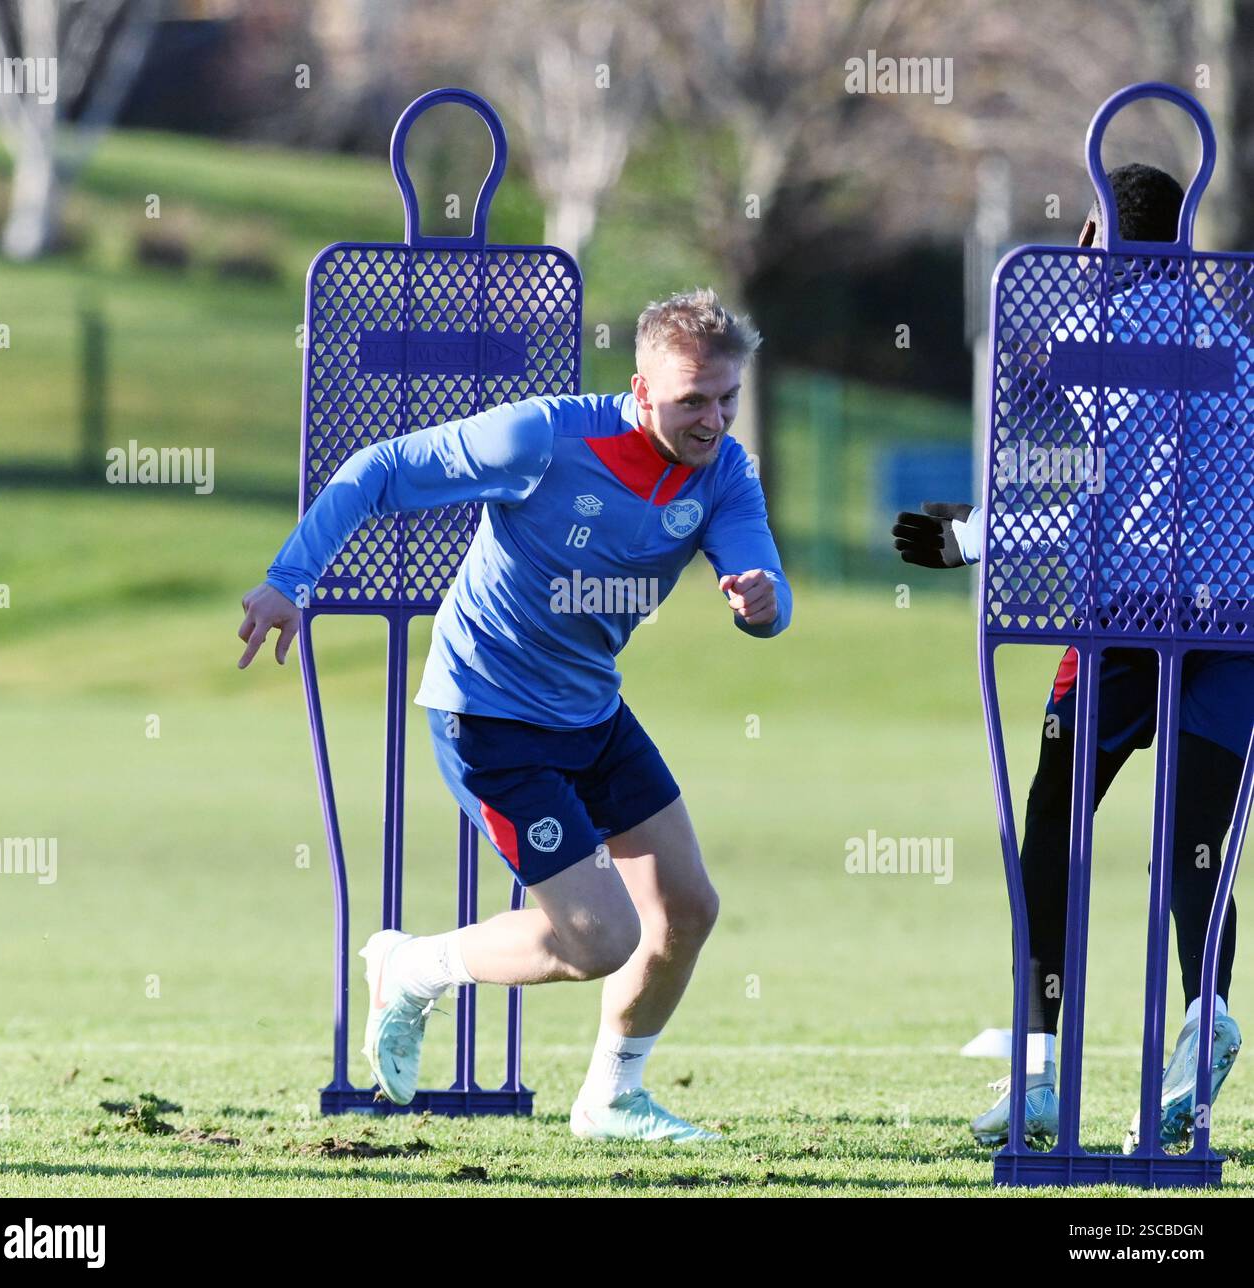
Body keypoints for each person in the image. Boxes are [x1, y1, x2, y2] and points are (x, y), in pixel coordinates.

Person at [237, 288, 792, 1143]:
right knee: (600, 936)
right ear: (641, 392)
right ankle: (413, 966)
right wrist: (290, 579)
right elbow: (379, 468)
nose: (714, 420)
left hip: (591, 711)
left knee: (687, 908)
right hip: (487, 714)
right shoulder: (545, 436)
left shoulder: (726, 473)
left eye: (727, 399)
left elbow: (766, 585)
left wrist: (761, 600)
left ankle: (612, 1099)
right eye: (693, 400)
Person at [893, 164, 1247, 1151]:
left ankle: (1040, 1072)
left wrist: (972, 538)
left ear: (1098, 237)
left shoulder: (1086, 339)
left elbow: (1100, 509)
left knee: (1050, 818)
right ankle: (1202, 1018)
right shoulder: (1234, 343)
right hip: (1235, 624)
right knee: (1198, 840)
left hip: (1126, 614)